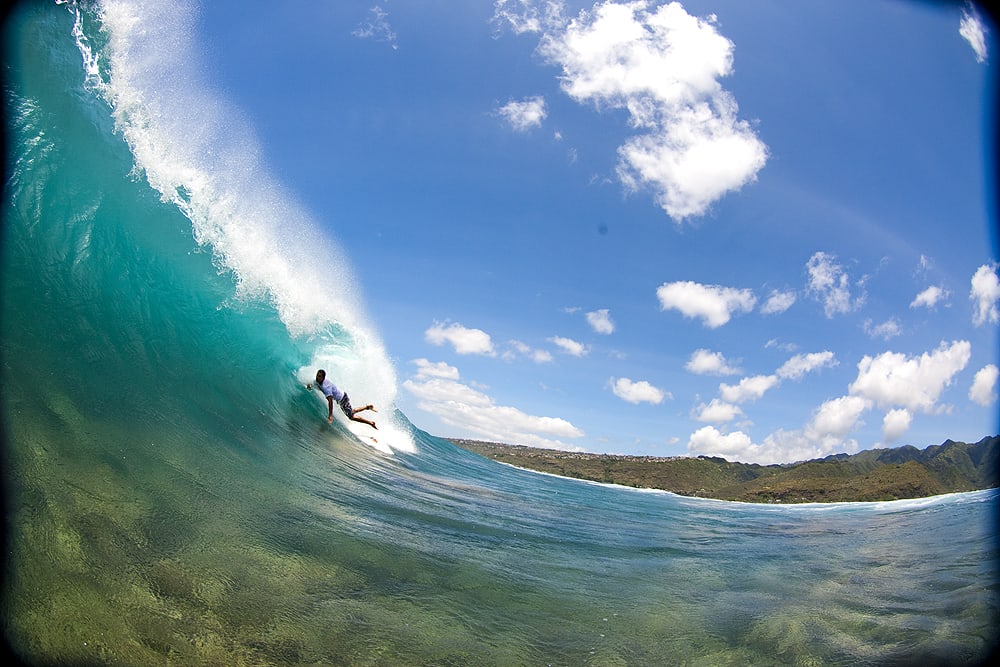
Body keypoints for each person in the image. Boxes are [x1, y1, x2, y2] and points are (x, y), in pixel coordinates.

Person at [306, 369, 377, 429]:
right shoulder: (317, 381)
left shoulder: (326, 387)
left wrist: (330, 415)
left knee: (351, 416)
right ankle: (367, 407)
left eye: (319, 376)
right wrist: (309, 386)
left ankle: (370, 423)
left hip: (342, 399)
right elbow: (314, 384)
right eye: (317, 375)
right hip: (342, 397)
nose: (317, 377)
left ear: (323, 378)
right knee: (351, 411)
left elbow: (330, 401)